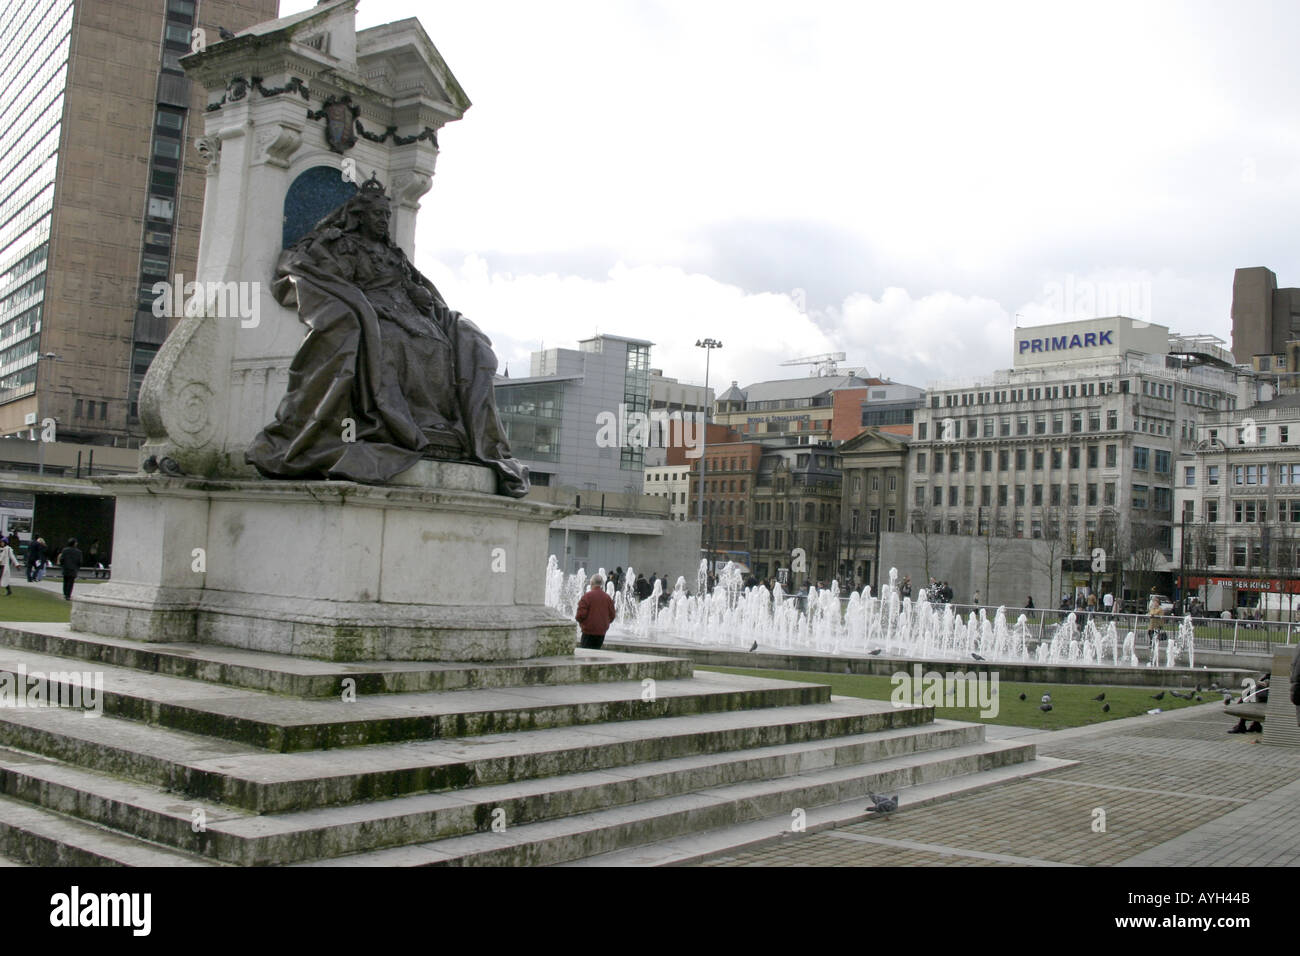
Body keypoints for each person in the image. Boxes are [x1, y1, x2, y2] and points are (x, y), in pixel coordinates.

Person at [574, 574, 616, 650]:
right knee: (596, 653)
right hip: (601, 632)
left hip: (588, 632)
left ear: (591, 583)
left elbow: (580, 615)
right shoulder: (607, 598)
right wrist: (603, 623)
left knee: (585, 654)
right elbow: (612, 615)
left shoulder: (587, 597)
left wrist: (582, 623)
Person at [58, 537, 82, 601]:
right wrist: (77, 567)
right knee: (71, 582)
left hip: (66, 568)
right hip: (73, 569)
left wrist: (62, 565)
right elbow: (80, 562)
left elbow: (62, 559)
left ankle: (65, 593)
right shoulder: (79, 552)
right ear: (74, 543)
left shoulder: (65, 550)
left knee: (65, 581)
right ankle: (68, 595)